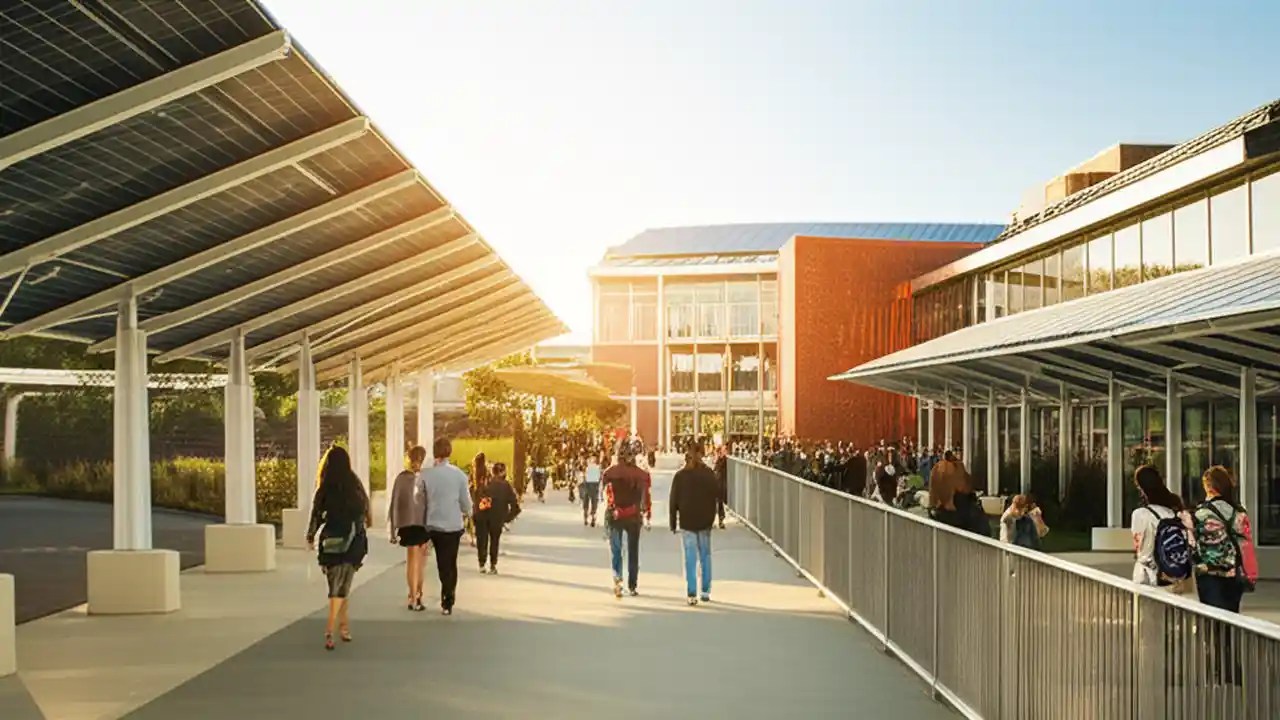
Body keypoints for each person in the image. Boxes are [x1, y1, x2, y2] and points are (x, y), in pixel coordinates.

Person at [306, 445, 372, 651]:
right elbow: (365, 508)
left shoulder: (324, 488)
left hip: (330, 542)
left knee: (336, 587)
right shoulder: (355, 485)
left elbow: (316, 513)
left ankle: (339, 627)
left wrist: (310, 536)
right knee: (342, 588)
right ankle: (333, 628)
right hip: (352, 541)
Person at [420, 437, 472, 615]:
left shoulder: (426, 474)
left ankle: (445, 591)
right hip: (453, 524)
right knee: (451, 561)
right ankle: (448, 597)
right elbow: (466, 503)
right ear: (449, 452)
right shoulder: (459, 475)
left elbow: (419, 499)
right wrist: (469, 513)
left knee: (441, 561)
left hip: (433, 524)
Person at [1193, 465, 1255, 613]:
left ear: (1209, 487)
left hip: (1209, 573)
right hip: (1234, 573)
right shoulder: (1239, 512)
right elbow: (1246, 543)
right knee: (1230, 616)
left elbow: (1194, 542)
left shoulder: (1202, 513)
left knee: (1212, 619)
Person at [1129, 465, 1195, 595]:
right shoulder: (1175, 511)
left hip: (1149, 577)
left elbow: (1139, 546)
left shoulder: (1140, 514)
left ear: (1141, 489)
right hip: (1175, 577)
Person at [670, 442, 719, 605]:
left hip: (687, 520)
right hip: (705, 520)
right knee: (705, 555)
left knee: (690, 557)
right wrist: (716, 517)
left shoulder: (680, 476)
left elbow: (673, 501)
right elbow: (717, 496)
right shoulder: (709, 474)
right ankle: (705, 590)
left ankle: (692, 592)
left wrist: (672, 522)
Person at [603, 440, 652, 598]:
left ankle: (618, 578)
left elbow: (604, 493)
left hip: (615, 514)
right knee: (633, 551)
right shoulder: (641, 475)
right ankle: (632, 584)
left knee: (616, 550)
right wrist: (646, 512)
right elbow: (645, 498)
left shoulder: (609, 473)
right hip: (633, 516)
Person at [387, 445, 430, 611]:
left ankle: (413, 595)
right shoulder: (426, 479)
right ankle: (417, 595)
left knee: (413, 560)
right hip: (422, 524)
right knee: (420, 561)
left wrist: (392, 530)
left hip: (407, 524)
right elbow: (430, 503)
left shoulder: (401, 478)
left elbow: (394, 504)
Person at [475, 462, 520, 574]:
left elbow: (476, 499)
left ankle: (481, 564)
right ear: (502, 472)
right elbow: (515, 507)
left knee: (482, 540)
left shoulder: (484, 483)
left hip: (482, 516)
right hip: (497, 517)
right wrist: (506, 518)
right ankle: (493, 565)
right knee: (495, 541)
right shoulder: (506, 486)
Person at [467, 453, 488, 548]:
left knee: (472, 516)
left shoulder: (473, 471)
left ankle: (472, 538)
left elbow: (469, 482)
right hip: (483, 495)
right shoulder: (485, 471)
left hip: (473, 494)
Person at [582, 450, 603, 527]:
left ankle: (590, 518)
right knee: (591, 503)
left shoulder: (589, 467)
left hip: (591, 485)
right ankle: (589, 518)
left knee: (589, 503)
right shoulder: (596, 467)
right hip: (592, 485)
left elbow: (584, 477)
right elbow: (600, 477)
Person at [713, 443, 729, 529]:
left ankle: (720, 520)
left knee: (719, 502)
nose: (725, 451)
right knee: (717, 502)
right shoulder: (719, 460)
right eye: (724, 450)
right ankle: (718, 520)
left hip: (721, 484)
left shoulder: (725, 460)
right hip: (717, 483)